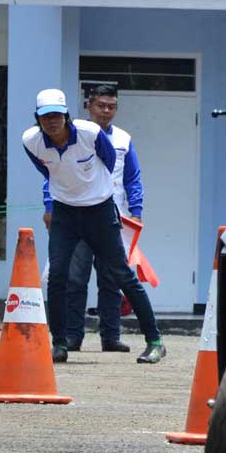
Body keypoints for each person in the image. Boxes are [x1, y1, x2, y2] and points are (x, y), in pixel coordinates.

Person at [23, 88, 166, 365]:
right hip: (65, 213)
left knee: (121, 275)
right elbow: (48, 171)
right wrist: (56, 201)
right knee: (60, 277)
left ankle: (155, 341)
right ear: (37, 119)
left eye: (56, 115)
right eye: (45, 117)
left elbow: (110, 163)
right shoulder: (31, 141)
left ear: (66, 115)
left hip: (99, 211)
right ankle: (60, 343)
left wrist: (98, 192)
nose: (51, 122)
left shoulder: (89, 133)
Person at [42, 84, 144, 358]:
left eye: (111, 106)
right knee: (75, 278)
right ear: (88, 106)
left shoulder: (123, 138)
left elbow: (132, 178)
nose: (106, 111)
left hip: (113, 217)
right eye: (101, 105)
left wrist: (136, 211)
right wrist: (49, 205)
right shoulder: (74, 134)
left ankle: (111, 336)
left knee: (112, 279)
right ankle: (72, 337)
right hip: (76, 215)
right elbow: (53, 172)